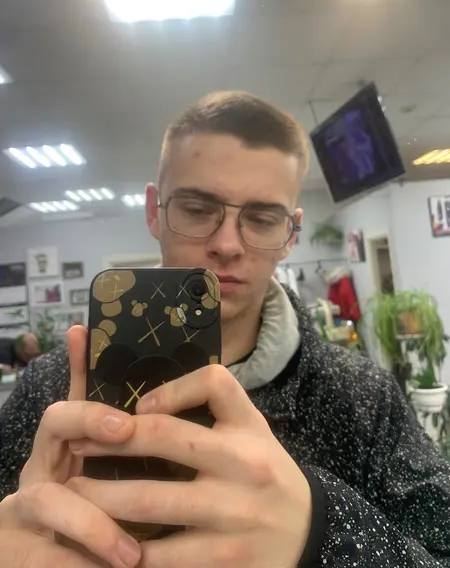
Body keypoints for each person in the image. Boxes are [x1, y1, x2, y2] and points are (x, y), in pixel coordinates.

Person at [0, 91, 449, 568]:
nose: (228, 244)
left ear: (291, 234)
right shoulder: (48, 391)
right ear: (154, 211)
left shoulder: (363, 397)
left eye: (262, 218)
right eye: (197, 208)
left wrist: (321, 532)